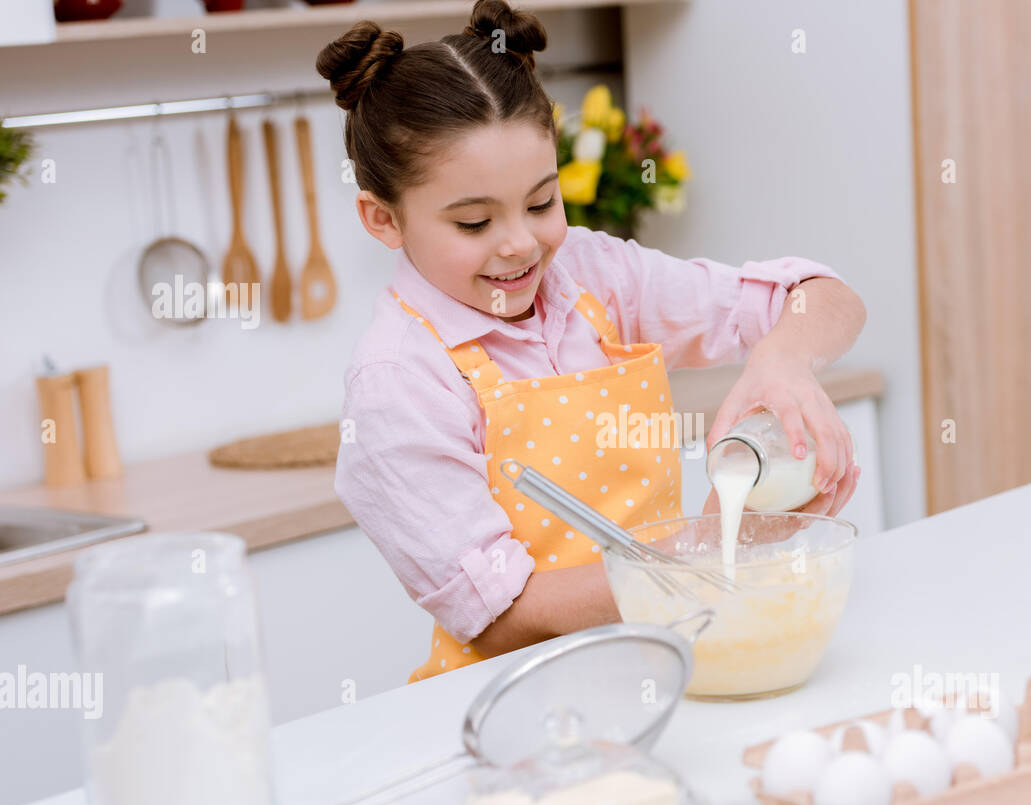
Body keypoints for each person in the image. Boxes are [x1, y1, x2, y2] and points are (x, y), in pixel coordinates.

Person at [324, 0, 867, 682]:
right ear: (382, 219)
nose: (520, 243)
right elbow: (502, 616)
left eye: (541, 202)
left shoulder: (591, 276)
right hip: (523, 703)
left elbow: (824, 295)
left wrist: (783, 359)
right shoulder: (397, 382)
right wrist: (700, 558)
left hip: (665, 663)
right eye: (473, 222)